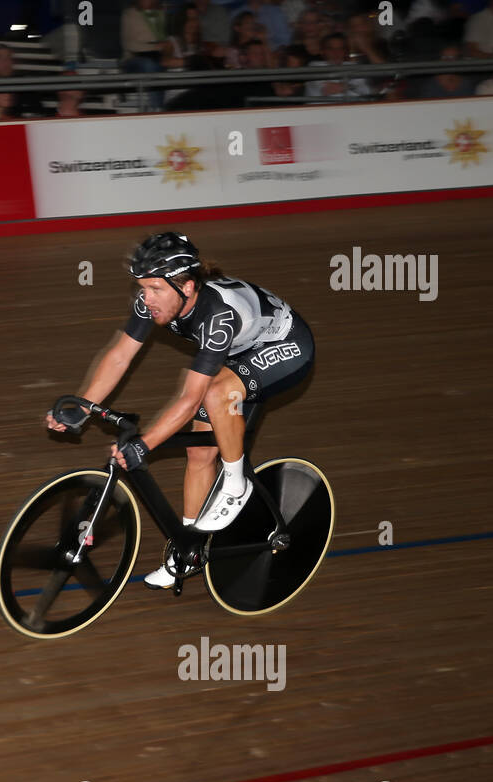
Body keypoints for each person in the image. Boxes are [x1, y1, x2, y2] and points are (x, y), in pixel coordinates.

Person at [45, 232, 315, 589]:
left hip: (287, 345)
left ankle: (235, 484)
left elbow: (190, 398)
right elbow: (120, 355)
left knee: (215, 394)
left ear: (187, 287)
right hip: (239, 353)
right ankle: (188, 550)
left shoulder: (217, 315)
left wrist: (145, 445)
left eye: (155, 289)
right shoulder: (154, 300)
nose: (146, 297)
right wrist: (85, 406)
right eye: (142, 287)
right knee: (200, 451)